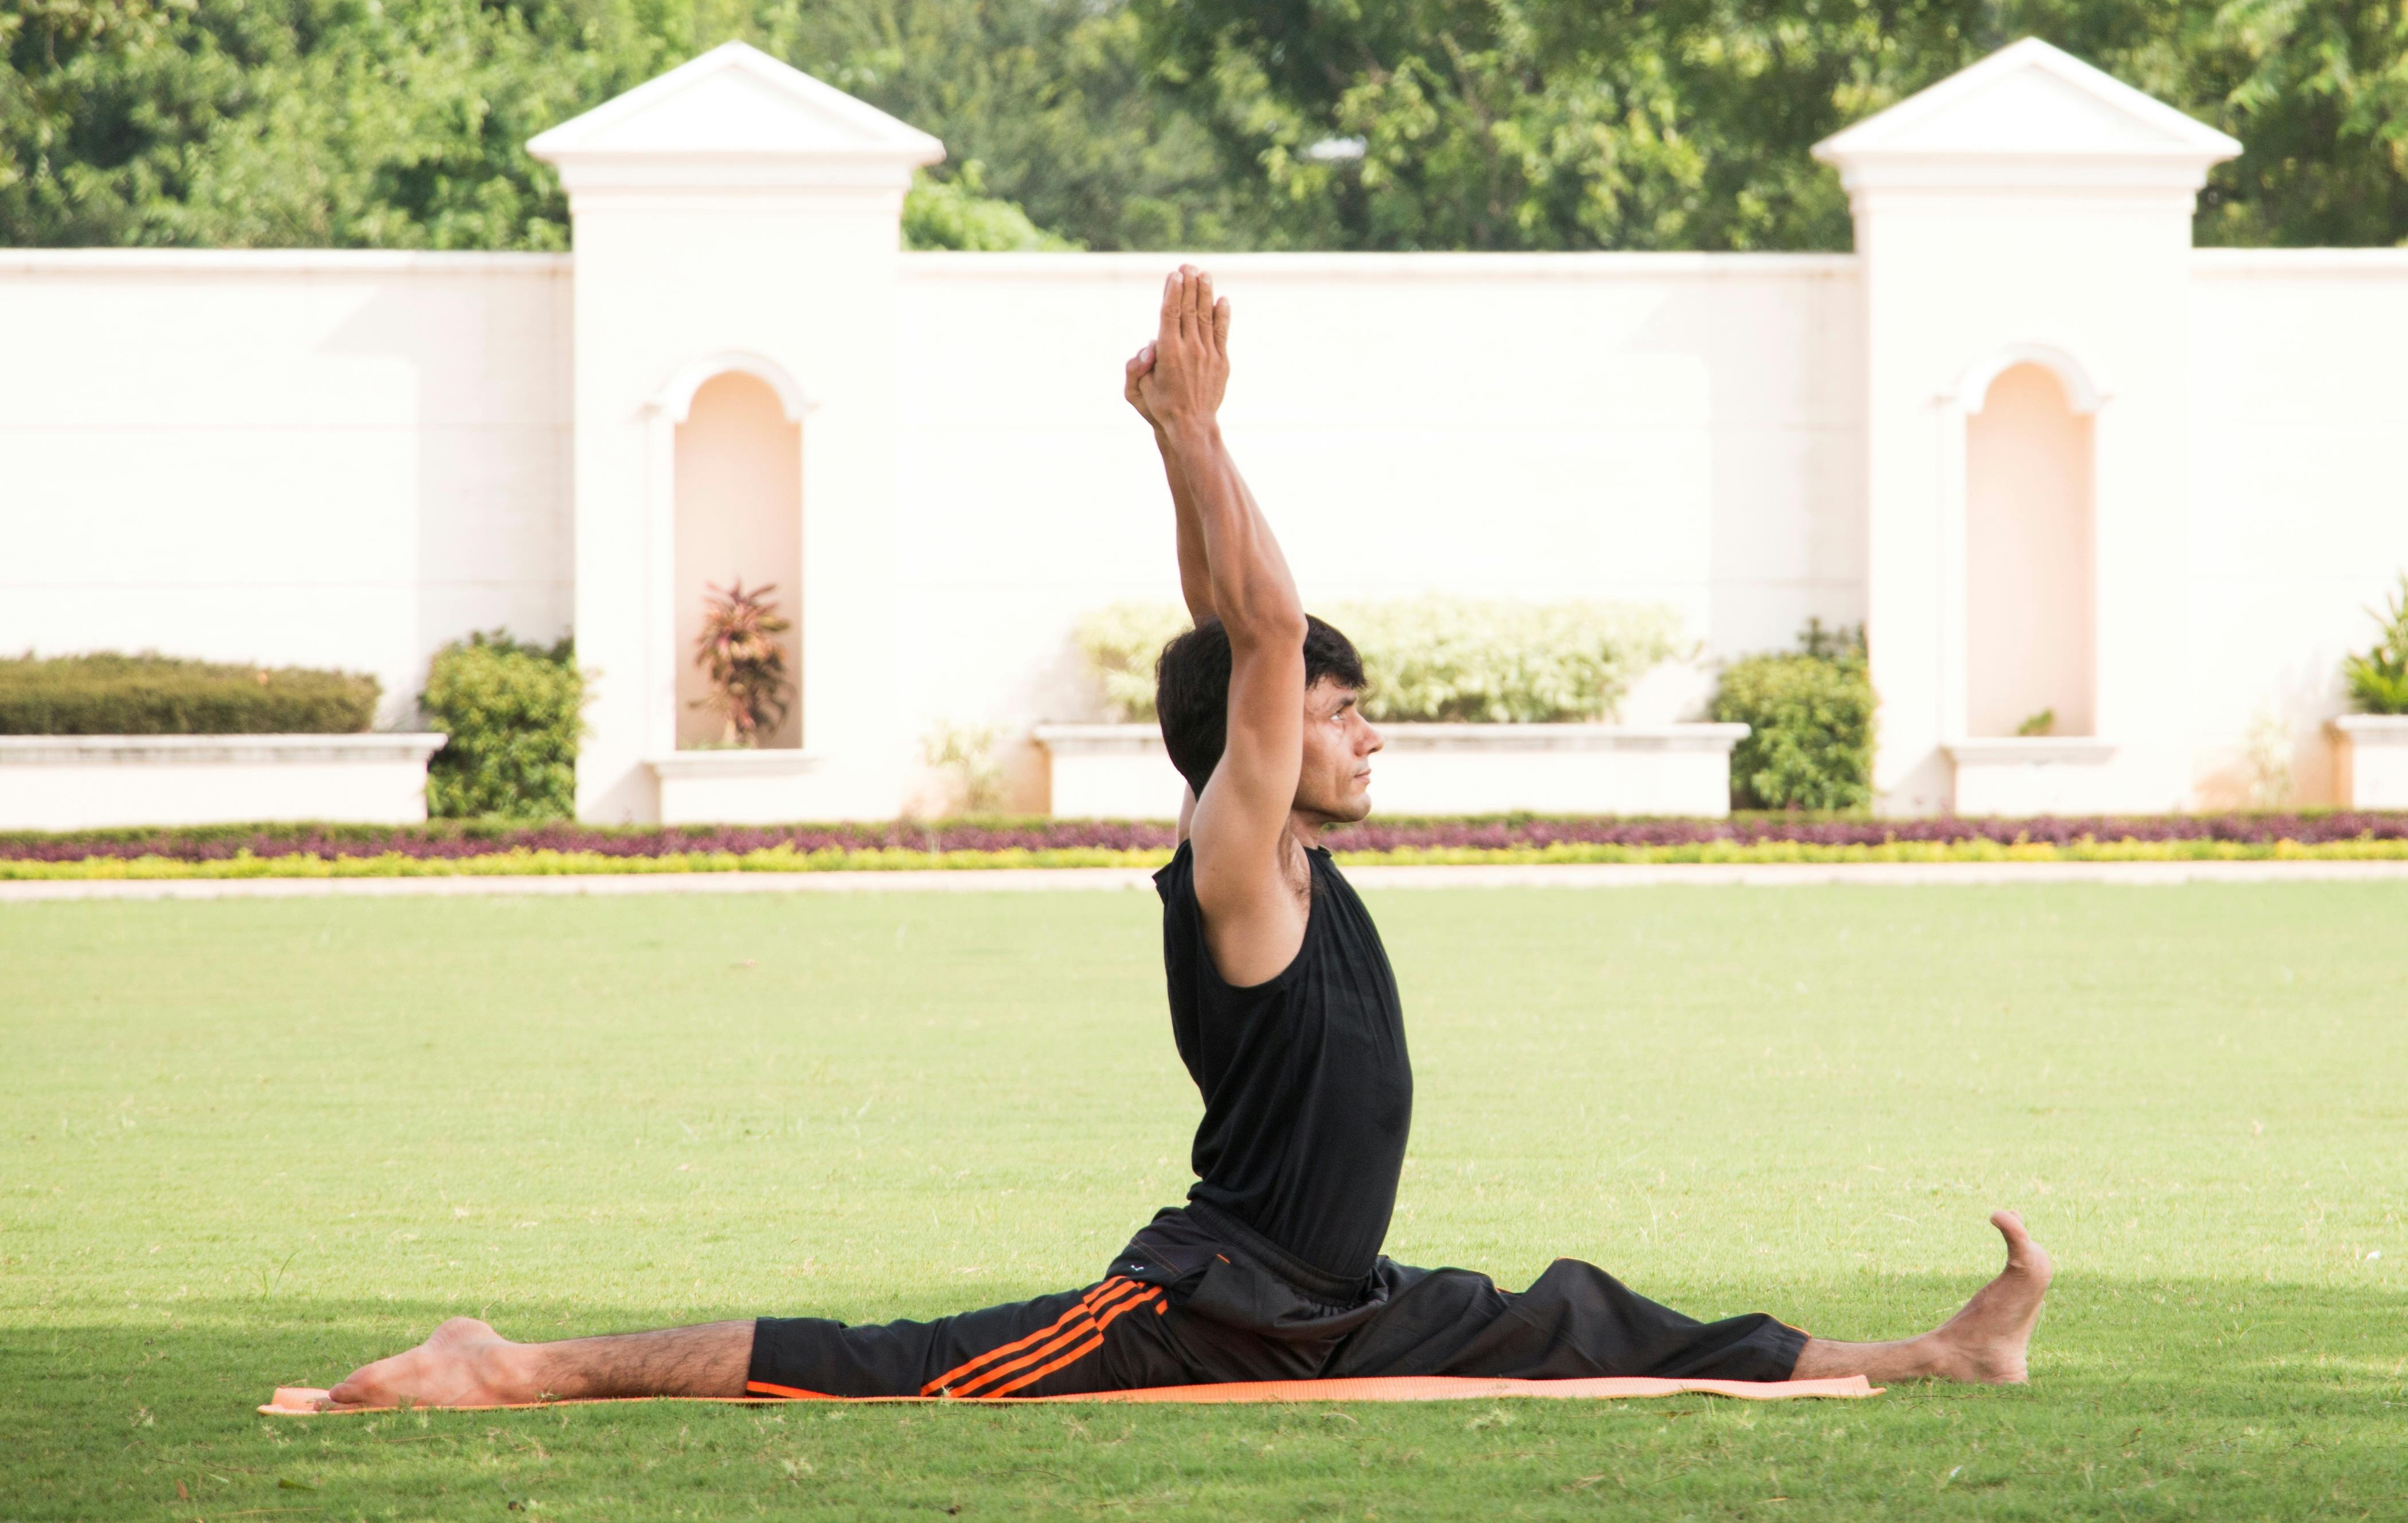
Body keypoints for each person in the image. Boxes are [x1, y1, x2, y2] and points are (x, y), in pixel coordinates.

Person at [324, 267, 2052, 1410]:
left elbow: (1246, 626)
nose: (1371, 734)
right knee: (897, 1369)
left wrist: (1179, 451)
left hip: (1345, 1299)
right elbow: (1262, 636)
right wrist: (1197, 436)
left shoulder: (1309, 864)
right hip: (1210, 1303)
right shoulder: (1241, 864)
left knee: (1591, 1316)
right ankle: (519, 1366)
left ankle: (1940, 1356)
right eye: (1347, 711)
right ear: (1262, 739)